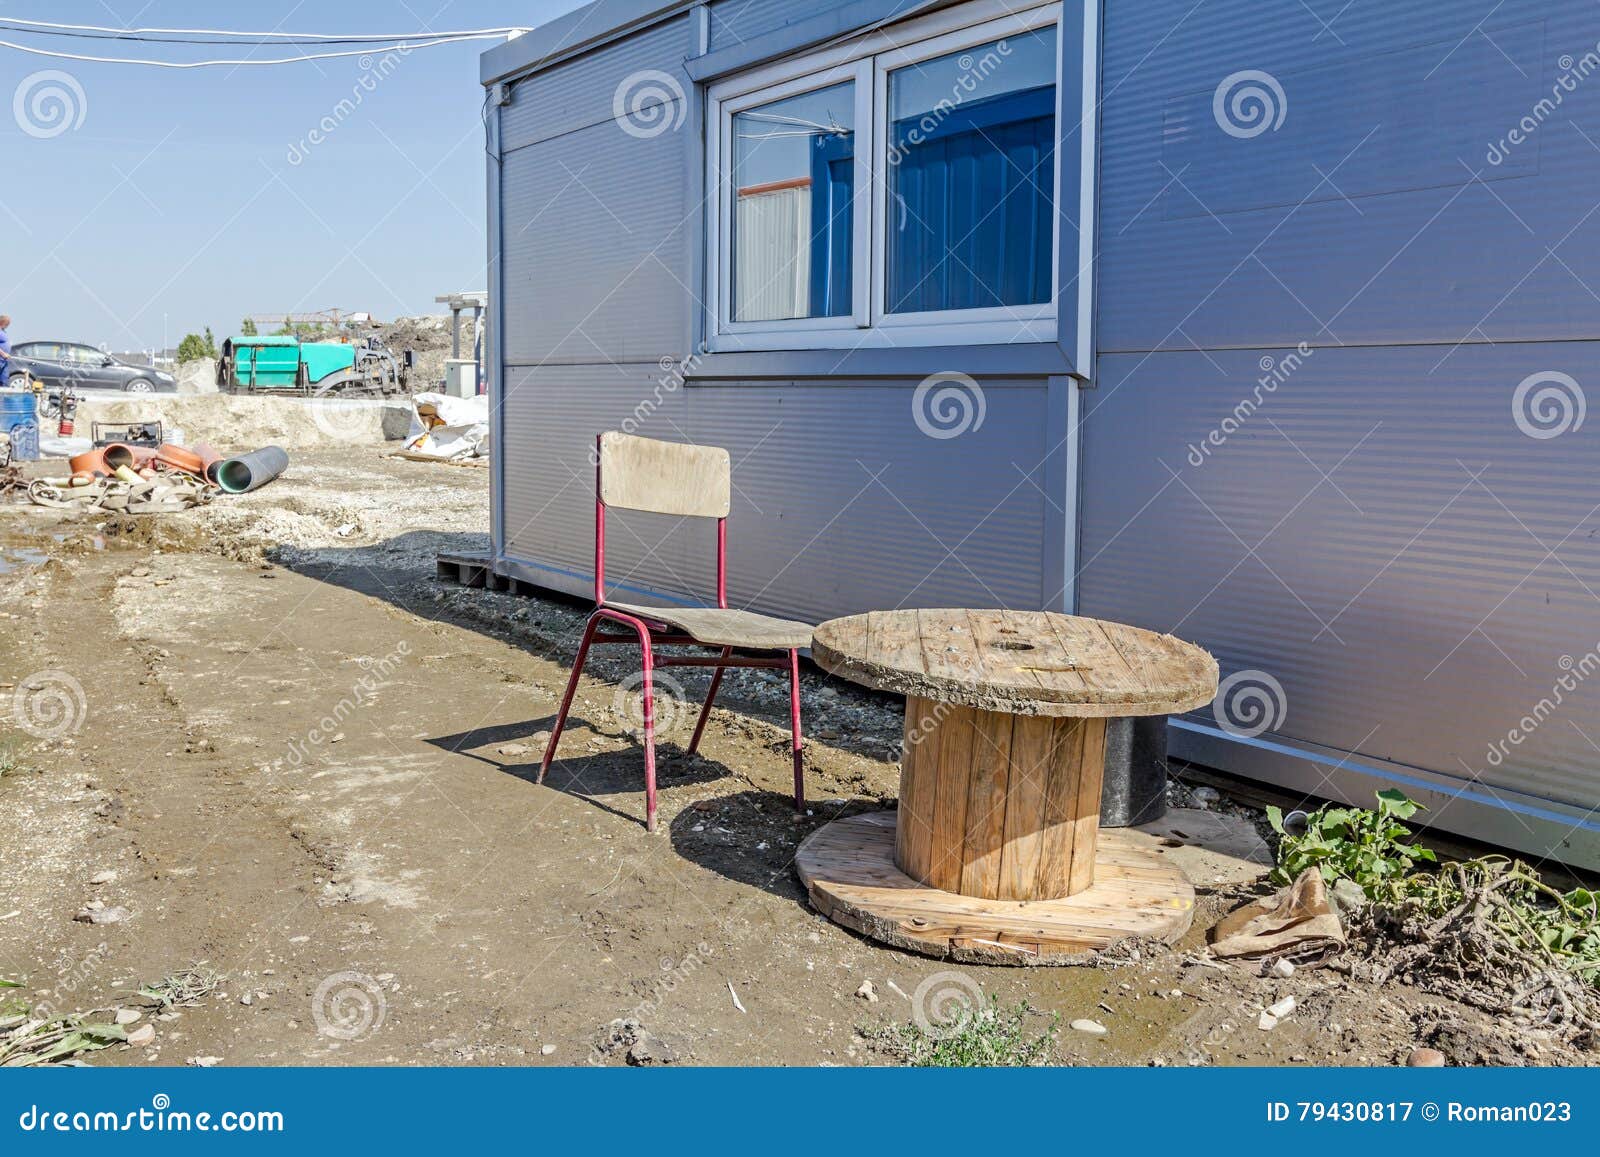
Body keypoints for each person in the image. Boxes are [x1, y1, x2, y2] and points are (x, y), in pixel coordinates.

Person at [0, 315, 11, 387]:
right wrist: (3, 354)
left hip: (4, 361)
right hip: (1, 359)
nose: (8, 325)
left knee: (4, 381)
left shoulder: (3, 332)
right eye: (7, 323)